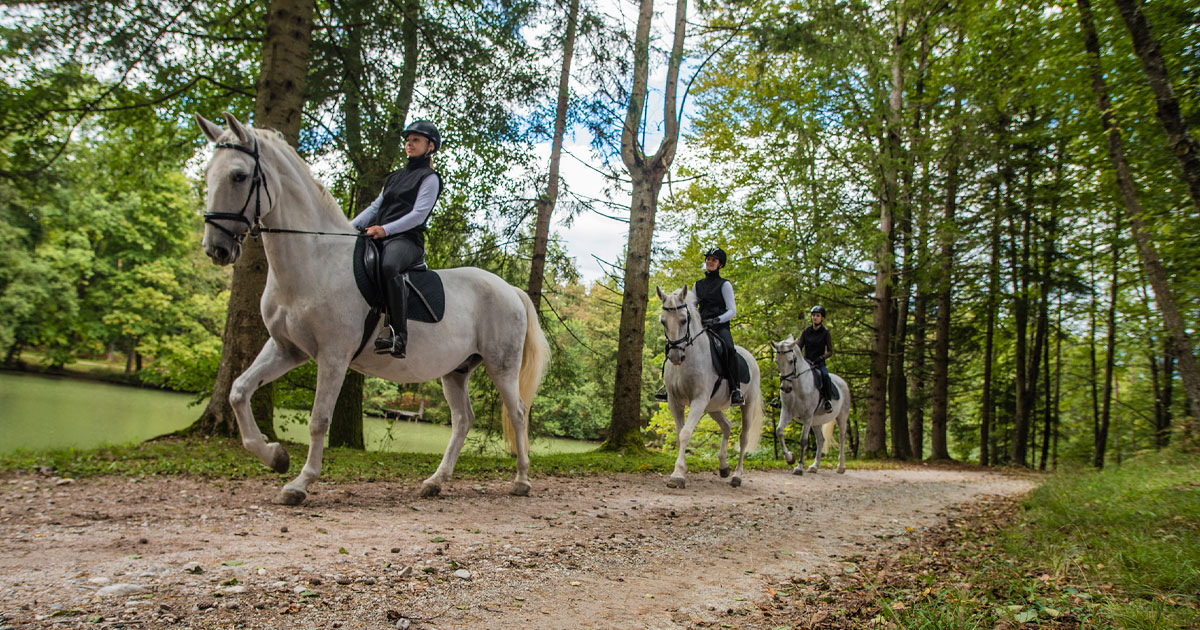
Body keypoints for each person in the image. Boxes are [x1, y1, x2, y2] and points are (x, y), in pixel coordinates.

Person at [350, 120, 444, 358]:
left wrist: (386, 230)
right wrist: (347, 229)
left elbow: (418, 215)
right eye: (407, 140)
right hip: (380, 235)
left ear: (430, 146)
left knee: (389, 265)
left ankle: (398, 336)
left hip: (407, 241)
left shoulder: (430, 178)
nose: (409, 144)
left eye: (416, 140)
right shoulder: (394, 177)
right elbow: (374, 208)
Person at [696, 247, 744, 405]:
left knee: (730, 349)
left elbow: (732, 311)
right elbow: (692, 306)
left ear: (720, 264)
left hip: (719, 327)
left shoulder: (725, 285)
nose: (710, 262)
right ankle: (669, 386)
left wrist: (716, 320)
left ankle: (735, 389)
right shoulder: (697, 285)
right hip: (701, 326)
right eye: (708, 259)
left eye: (714, 260)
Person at [799, 305, 834, 413]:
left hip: (819, 363)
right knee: (790, 375)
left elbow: (830, 351)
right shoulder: (805, 332)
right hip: (807, 362)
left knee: (825, 376)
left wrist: (822, 357)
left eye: (817, 316)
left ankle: (827, 401)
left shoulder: (825, 333)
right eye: (813, 315)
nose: (815, 317)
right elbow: (799, 348)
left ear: (822, 318)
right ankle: (781, 400)